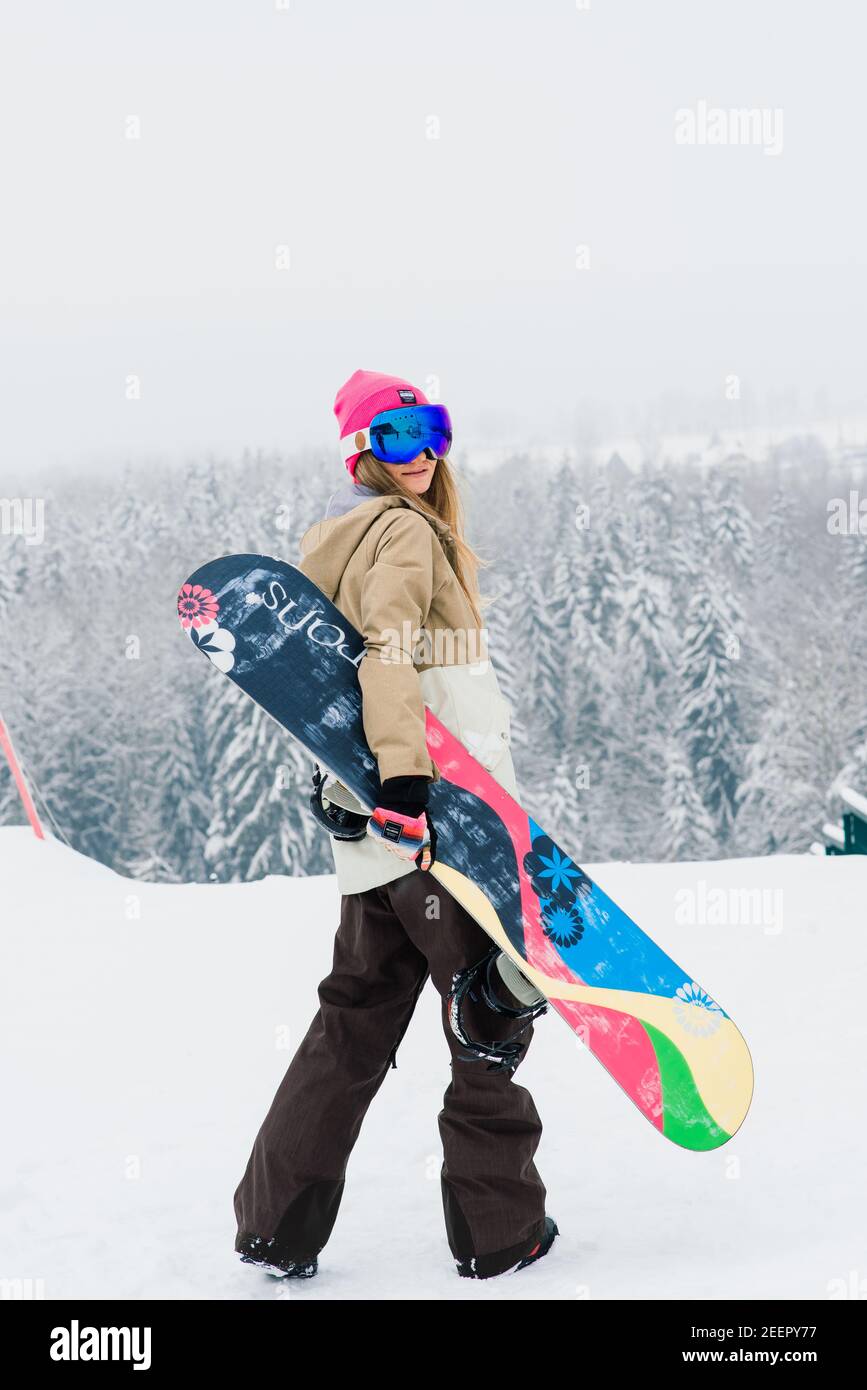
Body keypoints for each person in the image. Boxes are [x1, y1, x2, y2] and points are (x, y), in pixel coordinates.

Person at [233, 370, 557, 1281]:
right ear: (362, 452)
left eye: (432, 430)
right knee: (487, 1015)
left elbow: (320, 689)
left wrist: (367, 792)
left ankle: (275, 1224)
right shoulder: (407, 535)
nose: (421, 455)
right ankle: (502, 1233)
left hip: (372, 839)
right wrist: (411, 787)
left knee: (354, 1021)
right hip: (436, 825)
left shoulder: (335, 540)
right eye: (397, 436)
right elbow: (386, 654)